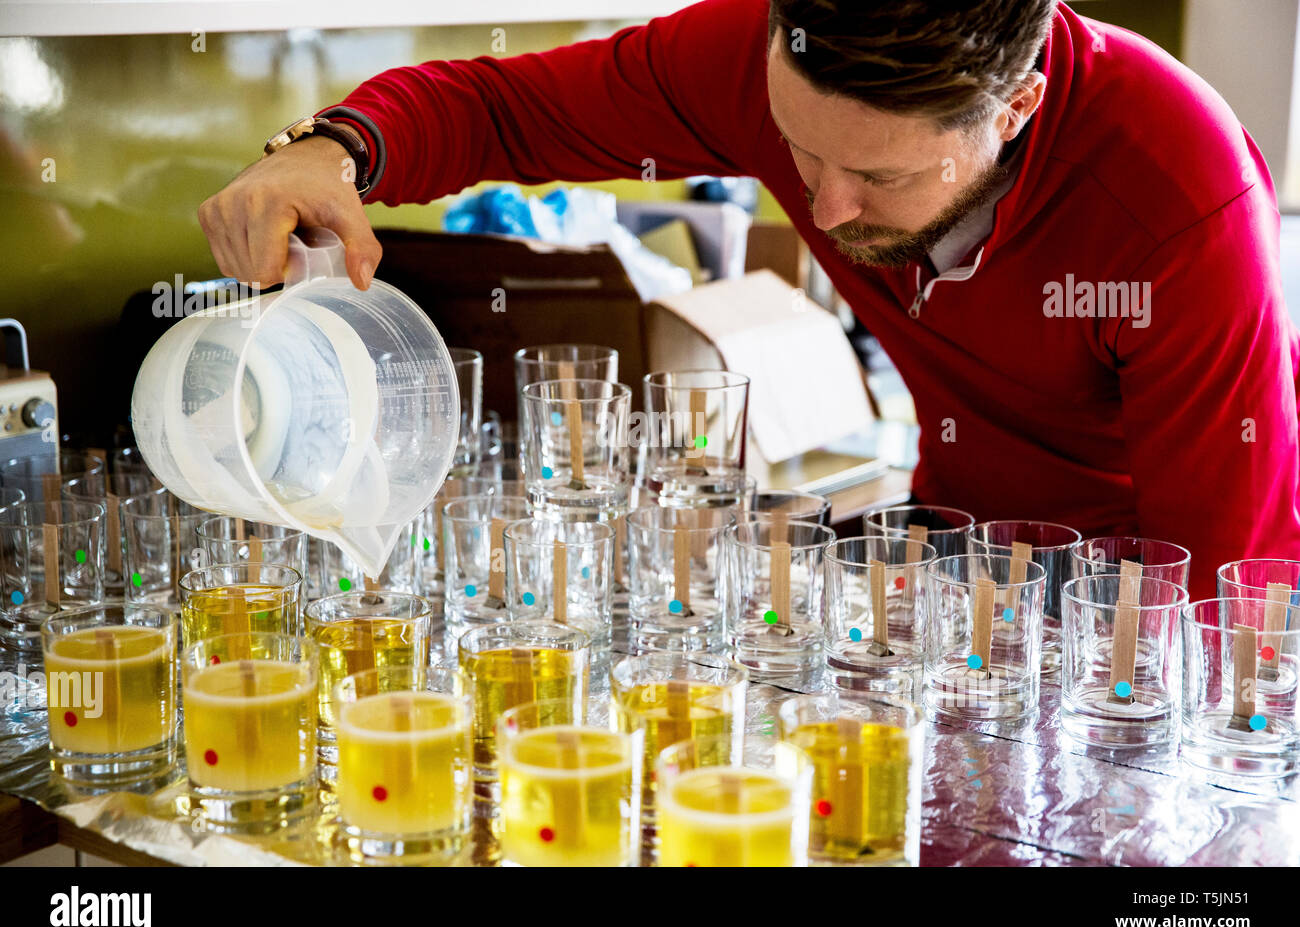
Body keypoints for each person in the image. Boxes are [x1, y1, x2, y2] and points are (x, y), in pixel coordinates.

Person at [198, 0, 1300, 597]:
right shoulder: (759, 49)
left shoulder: (1178, 191)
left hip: (1143, 587)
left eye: (881, 177)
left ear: (1015, 109)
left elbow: (1230, 569)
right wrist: (336, 148)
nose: (824, 203)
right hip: (957, 544)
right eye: (795, 146)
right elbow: (503, 108)